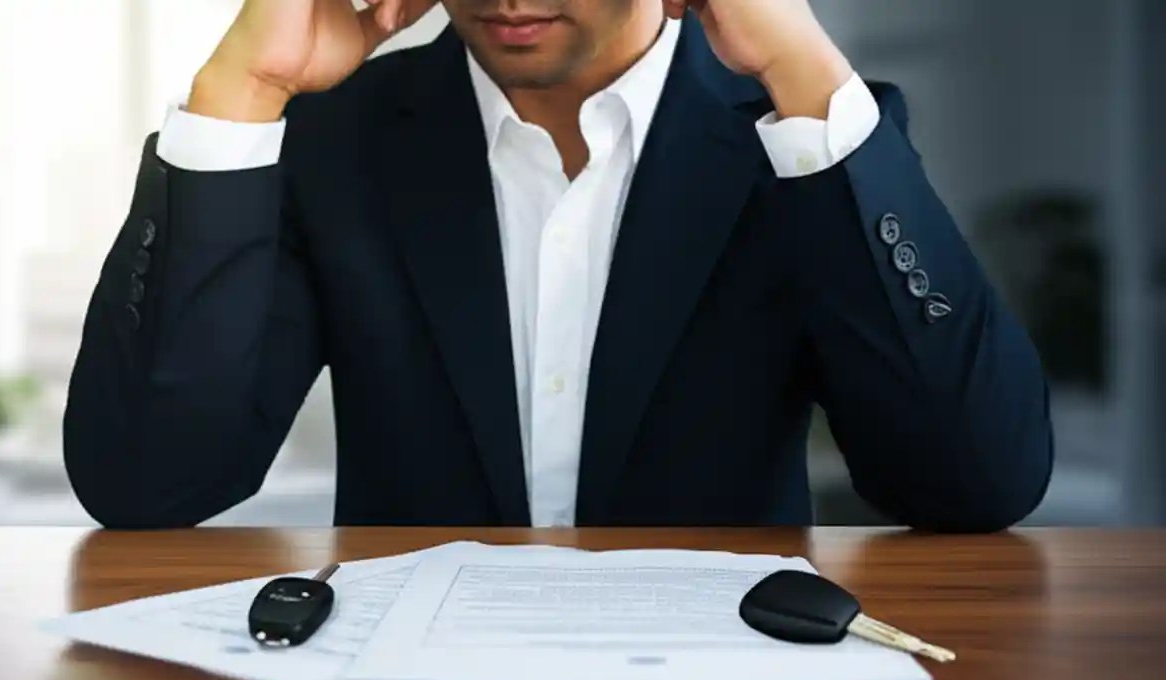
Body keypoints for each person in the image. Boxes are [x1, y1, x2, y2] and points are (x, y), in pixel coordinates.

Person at [63, 0, 1053, 531]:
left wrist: (799, 68)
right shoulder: (336, 138)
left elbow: (974, 487)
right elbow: (146, 487)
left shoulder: (796, 137)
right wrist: (239, 89)